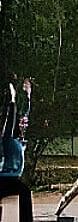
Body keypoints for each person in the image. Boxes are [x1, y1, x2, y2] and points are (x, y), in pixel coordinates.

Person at [0, 79, 32, 222]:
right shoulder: (7, 138)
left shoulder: (20, 141)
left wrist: (28, 96)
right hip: (4, 179)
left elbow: (25, 117)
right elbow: (11, 118)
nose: (21, 127)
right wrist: (12, 100)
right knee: (25, 191)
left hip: (13, 179)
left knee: (25, 192)